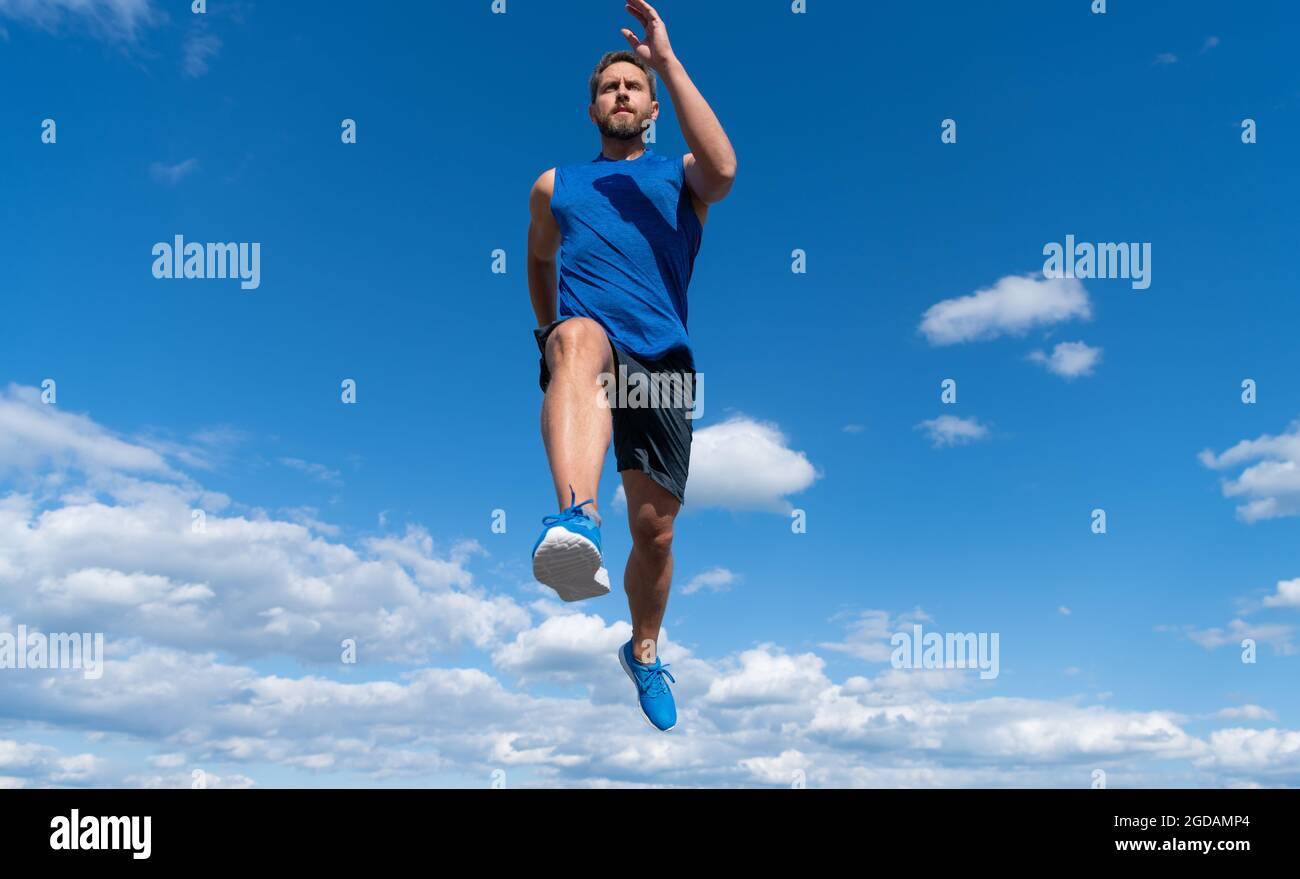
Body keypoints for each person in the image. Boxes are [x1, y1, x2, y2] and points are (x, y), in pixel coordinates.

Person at [525, 0, 737, 731]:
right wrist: (550, 331)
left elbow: (724, 169)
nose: (621, 93)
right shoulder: (555, 185)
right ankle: (576, 521)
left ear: (651, 108)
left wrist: (664, 60)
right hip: (591, 350)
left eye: (633, 86)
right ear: (593, 109)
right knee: (578, 336)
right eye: (609, 88)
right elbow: (539, 258)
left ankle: (643, 649)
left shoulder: (681, 178)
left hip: (664, 360)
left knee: (655, 533)